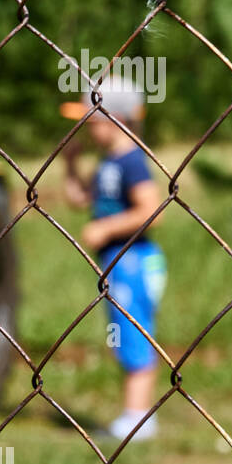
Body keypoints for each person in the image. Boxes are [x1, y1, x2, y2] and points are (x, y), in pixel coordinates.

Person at [61, 79, 166, 442]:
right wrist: (71, 165)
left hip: (133, 259)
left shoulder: (132, 160)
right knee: (121, 336)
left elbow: (152, 211)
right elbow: (79, 198)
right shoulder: (108, 162)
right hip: (115, 262)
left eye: (91, 120)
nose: (86, 128)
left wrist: (107, 229)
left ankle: (139, 417)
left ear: (116, 118)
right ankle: (132, 413)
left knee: (135, 333)